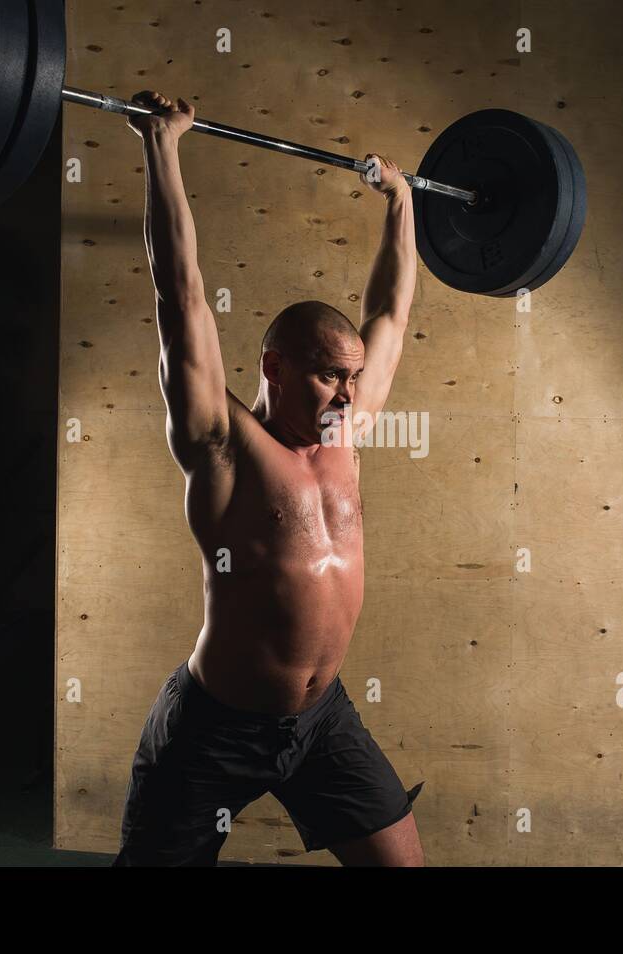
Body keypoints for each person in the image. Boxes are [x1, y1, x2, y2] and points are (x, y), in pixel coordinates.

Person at [113, 91, 424, 866]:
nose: (349, 393)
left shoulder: (346, 429)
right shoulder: (223, 444)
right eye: (328, 377)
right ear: (275, 369)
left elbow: (391, 309)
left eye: (352, 378)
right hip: (215, 731)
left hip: (321, 723)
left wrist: (402, 202)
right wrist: (162, 145)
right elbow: (179, 293)